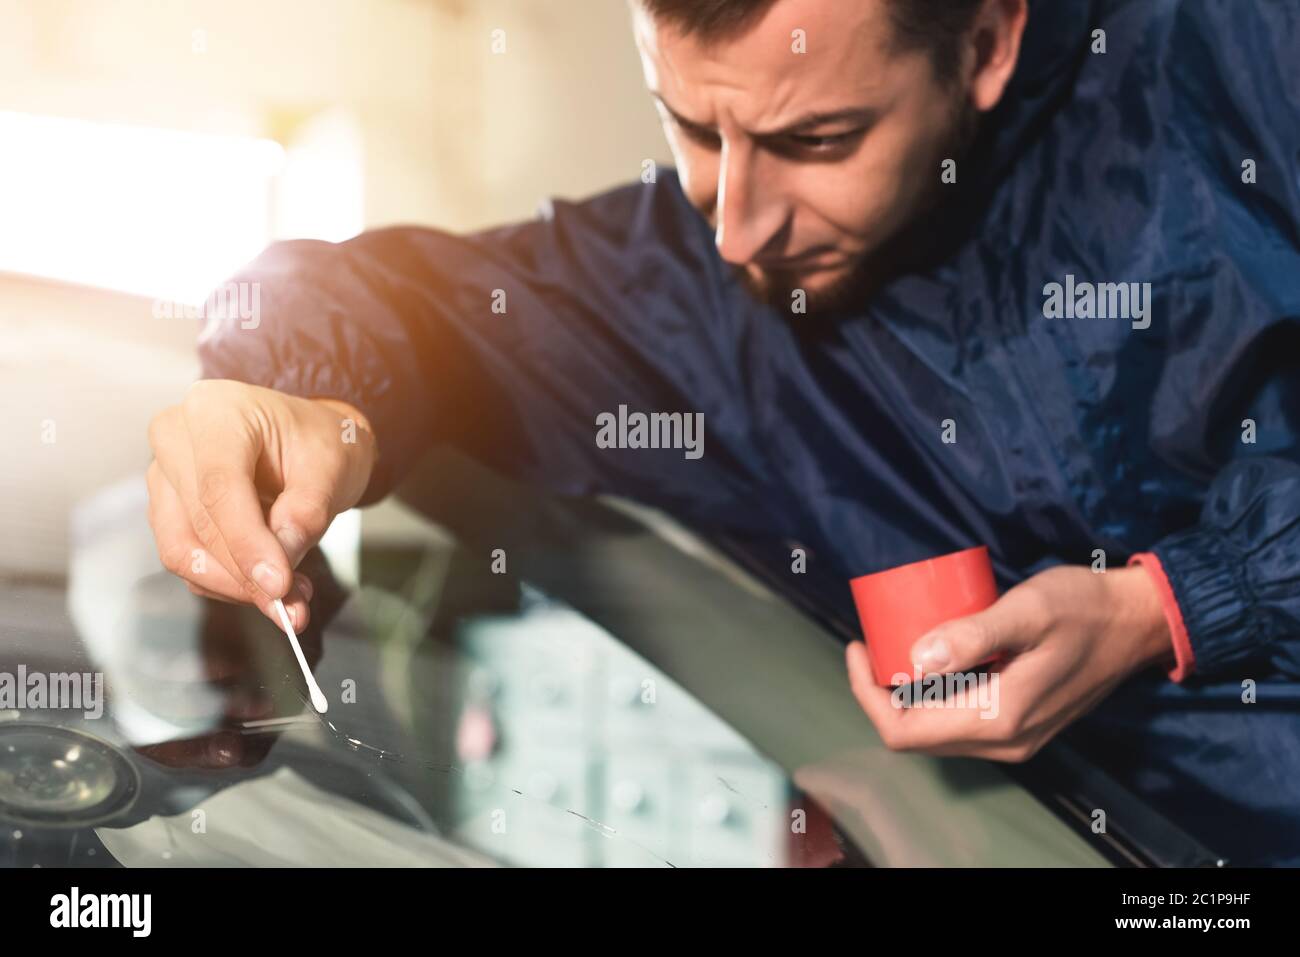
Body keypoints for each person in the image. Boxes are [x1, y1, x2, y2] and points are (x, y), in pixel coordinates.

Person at [145, 0, 1300, 862]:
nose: (738, 226)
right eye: (691, 127)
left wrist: (1178, 604)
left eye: (816, 142)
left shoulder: (1247, 68)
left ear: (988, 39)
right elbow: (397, 298)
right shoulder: (688, 295)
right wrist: (289, 394)